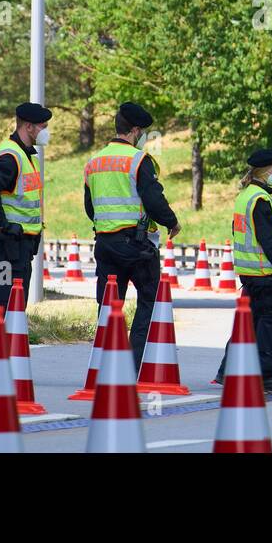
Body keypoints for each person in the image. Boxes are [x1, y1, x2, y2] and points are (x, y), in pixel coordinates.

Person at [84, 102, 180, 369]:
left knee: (108, 306)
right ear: (135, 131)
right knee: (149, 300)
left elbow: (89, 206)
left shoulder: (94, 162)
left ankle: (105, 364)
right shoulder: (138, 160)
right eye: (141, 133)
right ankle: (133, 363)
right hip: (137, 247)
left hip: (104, 243)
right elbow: (152, 198)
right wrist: (171, 222)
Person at [214, 148, 272, 394]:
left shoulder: (246, 195)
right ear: (263, 171)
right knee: (268, 326)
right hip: (265, 273)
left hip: (249, 273)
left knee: (246, 324)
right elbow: (270, 241)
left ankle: (227, 370)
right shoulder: (260, 200)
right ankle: (266, 376)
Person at [0, 102, 50, 309]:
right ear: (28, 127)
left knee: (16, 304)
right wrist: (4, 225)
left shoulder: (26, 155)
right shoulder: (10, 157)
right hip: (5, 244)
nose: (46, 131)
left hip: (19, 245)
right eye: (42, 126)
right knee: (5, 302)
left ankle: (10, 341)